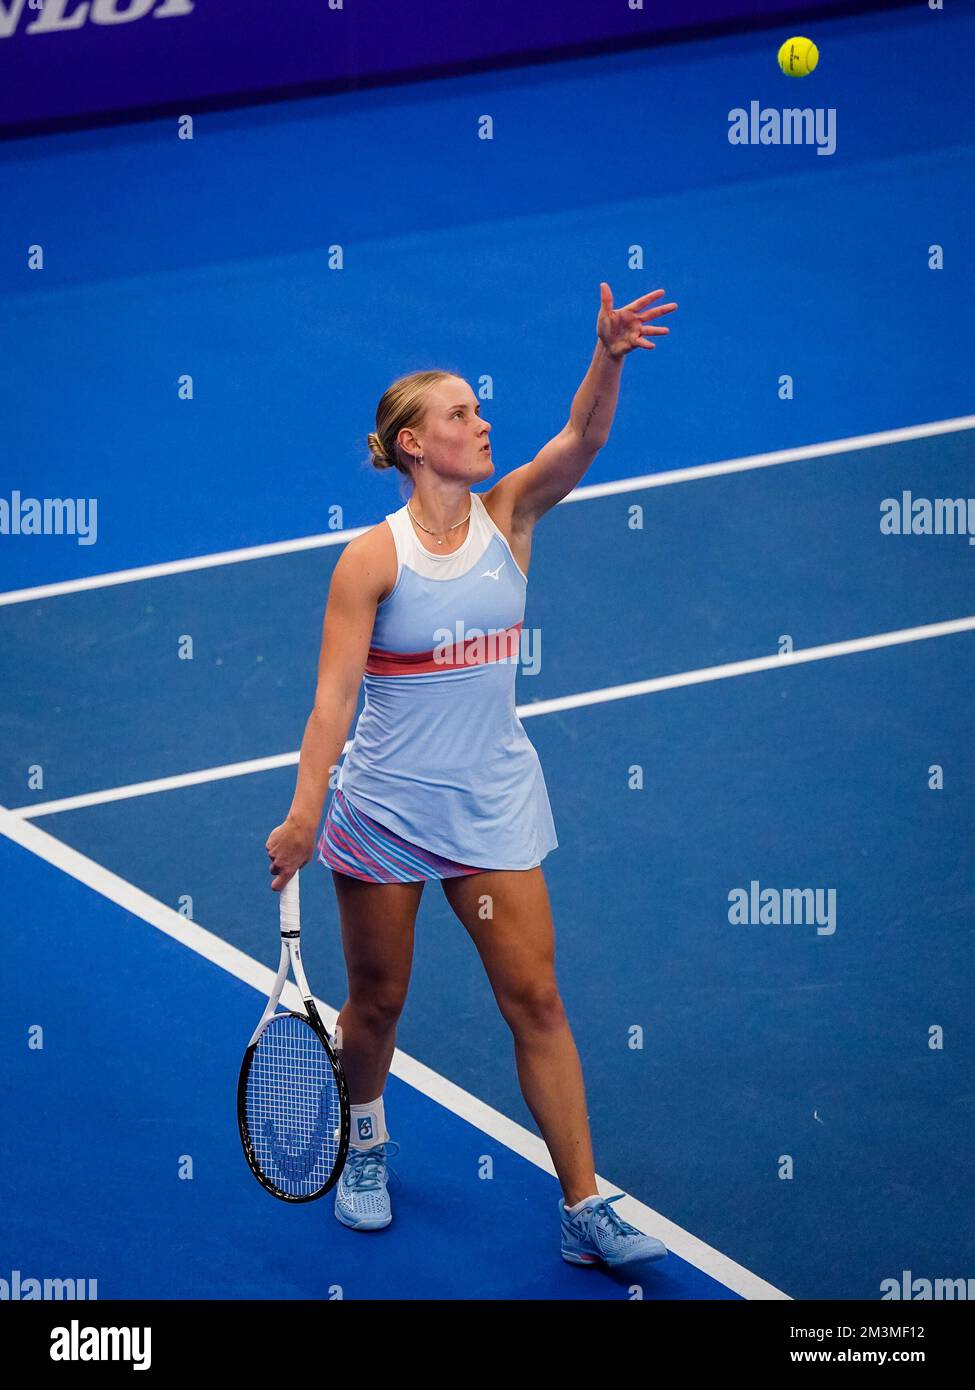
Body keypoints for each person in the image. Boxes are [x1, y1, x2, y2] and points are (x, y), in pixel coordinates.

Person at [266, 281, 678, 1271]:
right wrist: (303, 810)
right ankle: (364, 1143)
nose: (482, 423)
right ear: (413, 442)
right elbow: (332, 703)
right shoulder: (369, 560)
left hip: (490, 806)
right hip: (385, 816)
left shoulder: (510, 518)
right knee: (378, 1001)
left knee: (536, 999)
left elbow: (579, 438)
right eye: (460, 414)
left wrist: (609, 354)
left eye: (481, 411)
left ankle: (583, 1206)